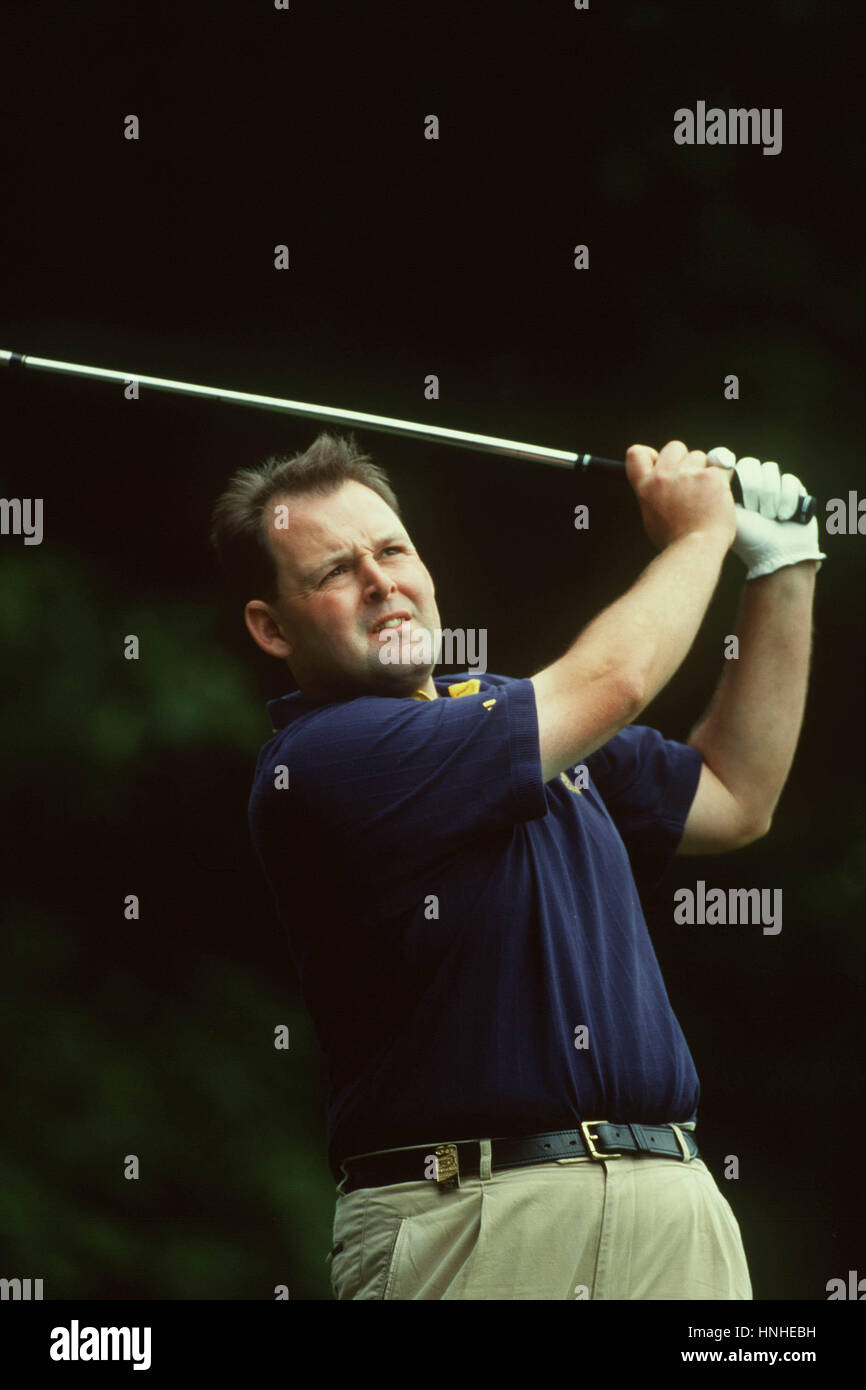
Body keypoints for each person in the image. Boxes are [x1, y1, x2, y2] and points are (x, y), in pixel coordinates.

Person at [209, 432, 824, 1300]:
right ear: (272, 627)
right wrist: (699, 536)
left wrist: (785, 562)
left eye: (393, 550)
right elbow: (614, 681)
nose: (383, 581)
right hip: (470, 1216)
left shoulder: (506, 713)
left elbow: (735, 794)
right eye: (335, 571)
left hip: (672, 1207)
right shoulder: (321, 760)